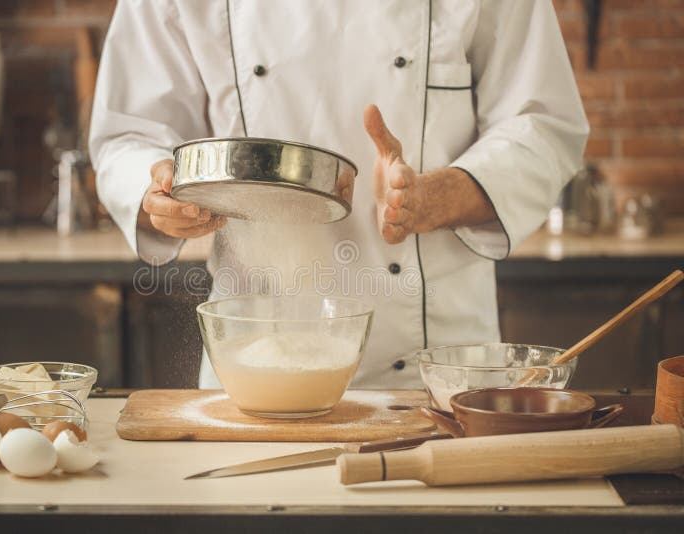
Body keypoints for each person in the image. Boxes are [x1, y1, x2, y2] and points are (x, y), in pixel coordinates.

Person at [90, 0, 588, 388]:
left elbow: (543, 122)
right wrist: (158, 193)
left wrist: (441, 197)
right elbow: (128, 133)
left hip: (435, 371)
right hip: (251, 365)